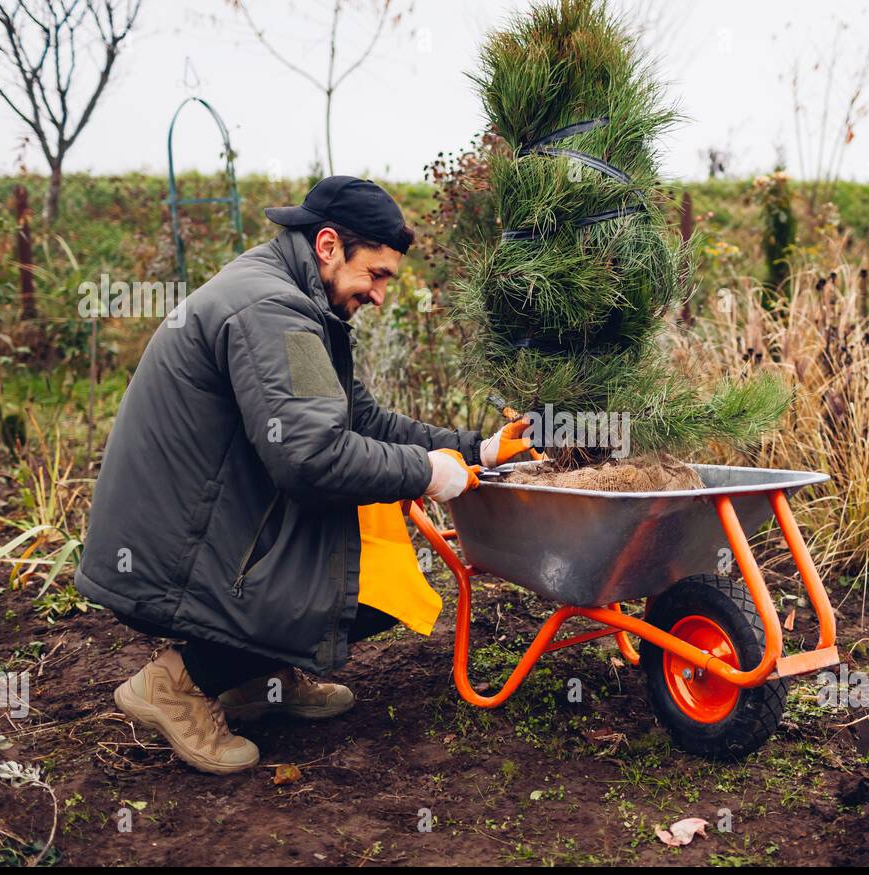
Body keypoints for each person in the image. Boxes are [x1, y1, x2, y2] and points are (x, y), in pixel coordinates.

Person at [75, 176, 532, 774]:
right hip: (173, 557)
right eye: (375, 275)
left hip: (200, 529)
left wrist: (478, 449)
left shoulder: (284, 294)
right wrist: (424, 473)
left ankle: (258, 677)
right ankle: (178, 685)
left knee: (379, 568)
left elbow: (359, 418)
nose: (378, 296)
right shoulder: (274, 311)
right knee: (378, 585)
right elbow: (311, 459)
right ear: (327, 246)